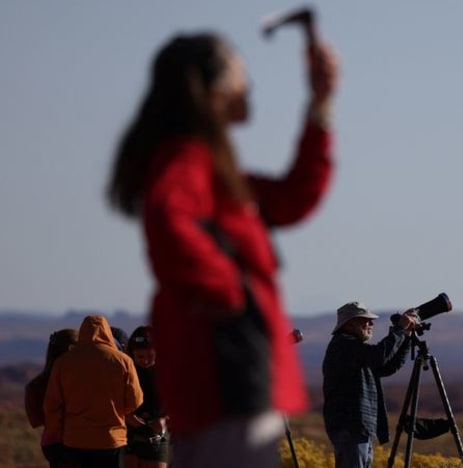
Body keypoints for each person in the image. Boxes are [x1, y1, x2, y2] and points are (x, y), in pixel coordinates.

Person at [106, 31, 338, 468]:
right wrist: (235, 298)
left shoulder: (212, 170)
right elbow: (167, 225)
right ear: (210, 91)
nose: (248, 87)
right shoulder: (185, 163)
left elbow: (292, 199)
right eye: (240, 76)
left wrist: (319, 106)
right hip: (224, 373)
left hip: (229, 372)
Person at [323, 302, 419, 468]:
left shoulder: (355, 349)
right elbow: (378, 357)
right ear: (350, 323)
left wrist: (406, 337)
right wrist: (399, 331)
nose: (371, 324)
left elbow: (388, 366)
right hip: (349, 426)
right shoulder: (343, 345)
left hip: (358, 427)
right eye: (365, 321)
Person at [44, 315, 144, 468]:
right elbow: (135, 400)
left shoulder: (63, 363)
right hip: (111, 440)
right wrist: (116, 411)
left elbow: (52, 404)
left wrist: (56, 433)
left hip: (75, 440)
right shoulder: (123, 361)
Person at [24, 328, 78, 468]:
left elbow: (35, 420)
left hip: (51, 442)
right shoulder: (76, 382)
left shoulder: (37, 385)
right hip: (73, 443)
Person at [125, 326, 169, 468]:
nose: (145, 361)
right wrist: (127, 416)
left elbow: (177, 401)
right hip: (129, 435)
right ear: (132, 354)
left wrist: (163, 419)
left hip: (157, 435)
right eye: (140, 357)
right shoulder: (126, 371)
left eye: (150, 357)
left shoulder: (166, 371)